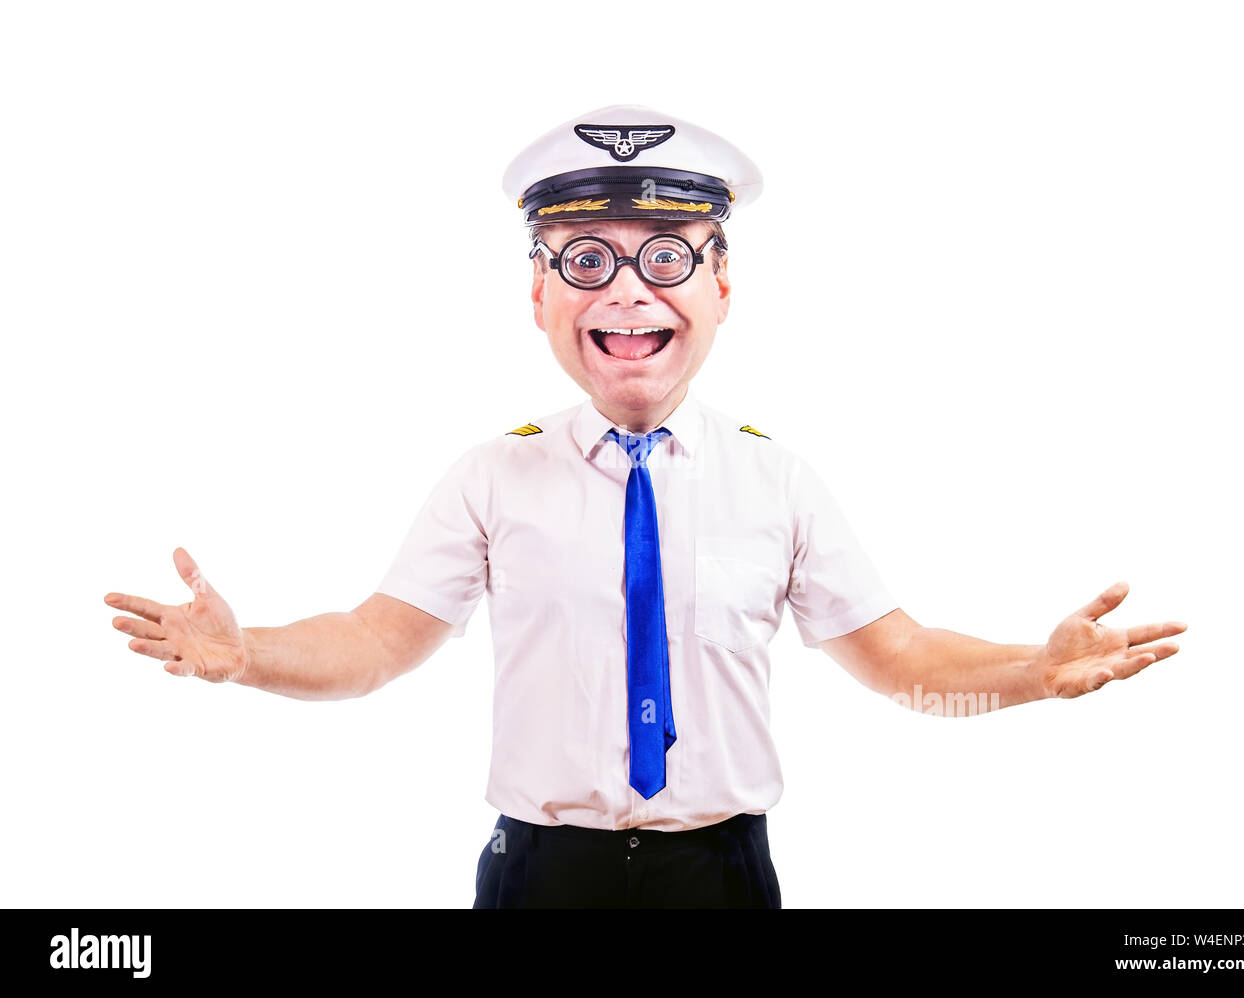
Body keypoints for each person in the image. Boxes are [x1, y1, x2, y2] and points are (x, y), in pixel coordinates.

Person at [103, 104, 1188, 909]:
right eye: (586, 259)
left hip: (719, 875)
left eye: (666, 256)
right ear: (538, 294)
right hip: (537, 874)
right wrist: (249, 655)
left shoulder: (779, 481)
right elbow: (374, 643)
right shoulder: (490, 475)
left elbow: (901, 659)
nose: (627, 290)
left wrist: (1031, 676)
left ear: (722, 286)